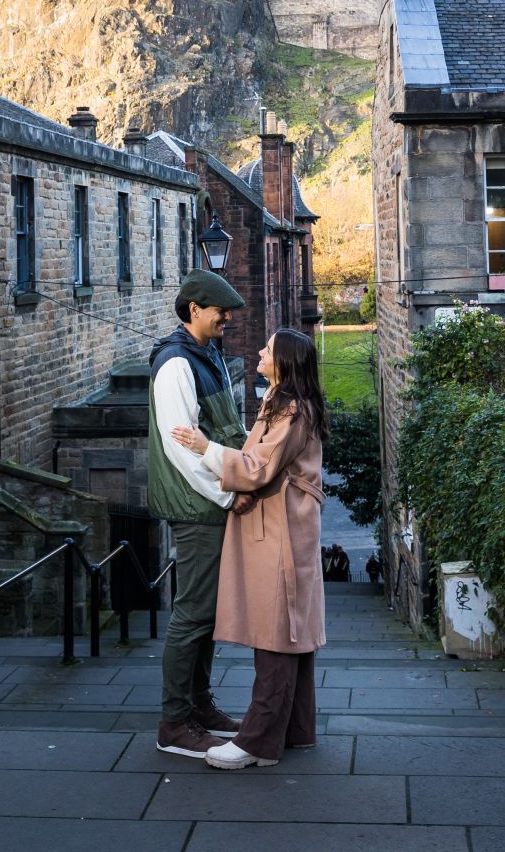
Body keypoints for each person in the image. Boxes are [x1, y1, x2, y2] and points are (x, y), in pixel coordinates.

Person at [173, 327, 327, 770]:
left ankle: (257, 742)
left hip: (281, 526)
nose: (260, 351)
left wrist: (206, 448)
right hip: (283, 522)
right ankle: (295, 730)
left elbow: (259, 466)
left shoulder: (292, 409)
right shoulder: (283, 402)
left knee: (276, 631)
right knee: (289, 629)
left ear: (286, 361)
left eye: (268, 348)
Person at [148, 268, 247, 758]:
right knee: (191, 614)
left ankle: (199, 707)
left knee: (206, 614)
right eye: (219, 311)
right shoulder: (175, 365)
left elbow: (225, 427)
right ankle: (174, 723)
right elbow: (182, 448)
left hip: (214, 501)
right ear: (193, 311)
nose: (227, 317)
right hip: (198, 505)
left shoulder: (208, 356)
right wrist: (229, 494)